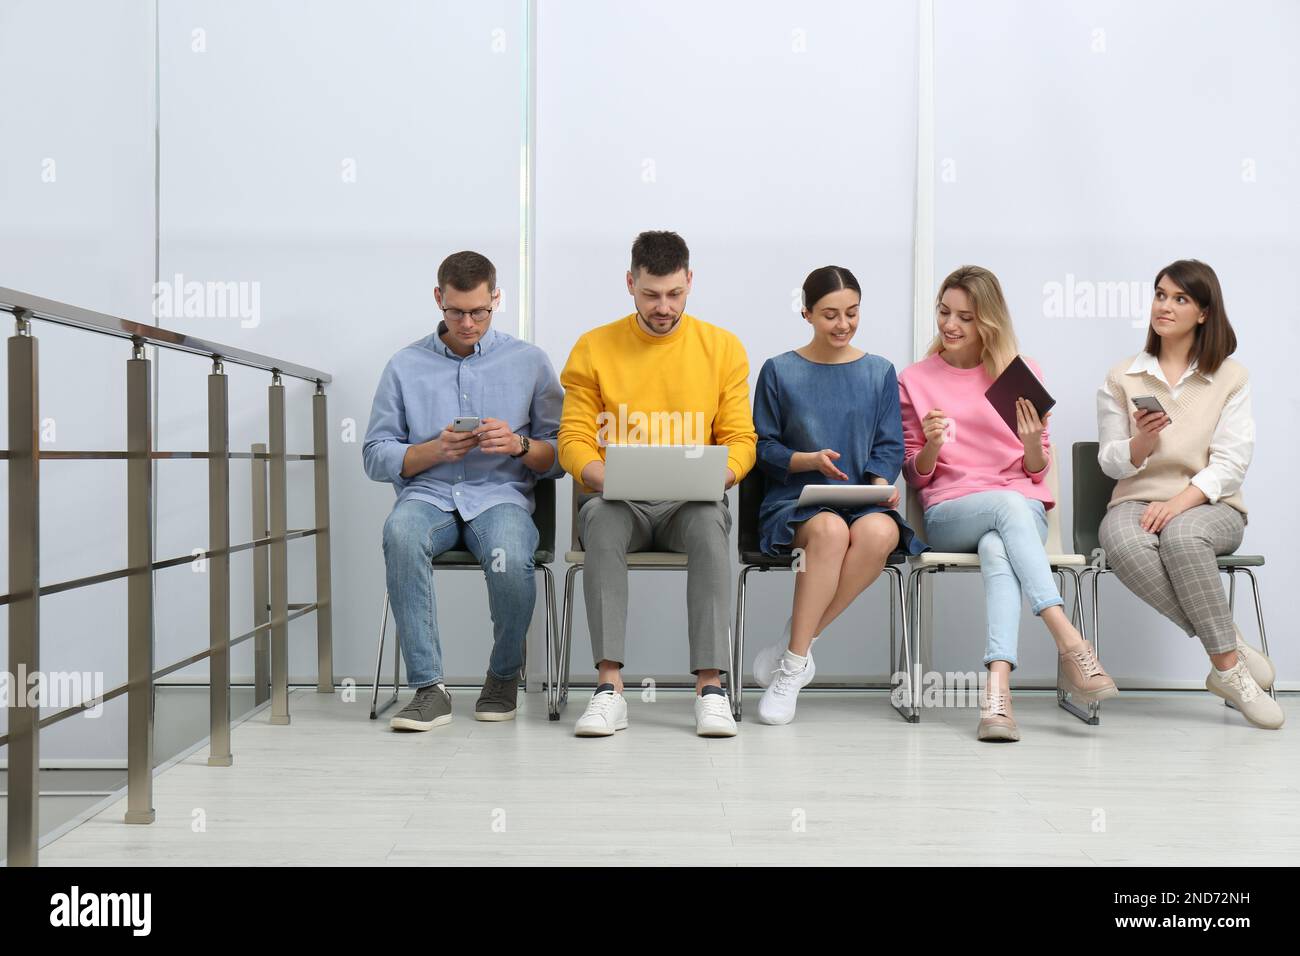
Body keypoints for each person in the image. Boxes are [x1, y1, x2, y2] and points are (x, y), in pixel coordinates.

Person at [898, 265, 1117, 742]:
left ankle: (997, 694)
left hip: (1020, 514)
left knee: (1001, 543)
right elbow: (917, 475)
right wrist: (932, 446)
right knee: (1005, 508)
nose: (950, 325)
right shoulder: (915, 380)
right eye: (944, 312)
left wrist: (1032, 441)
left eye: (966, 317)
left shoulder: (1021, 373)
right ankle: (1068, 638)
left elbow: (1036, 471)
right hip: (950, 511)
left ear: (988, 323)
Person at [558, 230, 756, 738]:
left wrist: (721, 474)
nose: (663, 306)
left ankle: (710, 689)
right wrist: (607, 476)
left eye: (674, 293)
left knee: (712, 522)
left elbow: (741, 439)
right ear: (630, 283)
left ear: (690, 281)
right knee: (599, 519)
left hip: (689, 505)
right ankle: (609, 688)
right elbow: (573, 439)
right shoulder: (594, 347)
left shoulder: (723, 348)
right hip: (618, 502)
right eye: (650, 294)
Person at [363, 251, 563, 730]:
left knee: (512, 554)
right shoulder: (404, 365)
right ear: (438, 299)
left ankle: (502, 676)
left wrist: (517, 444)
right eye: (456, 311)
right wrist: (433, 451)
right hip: (428, 499)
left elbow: (560, 456)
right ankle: (429, 689)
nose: (469, 322)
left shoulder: (530, 361)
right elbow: (374, 454)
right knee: (401, 535)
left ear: (496, 299)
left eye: (480, 311)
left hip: (500, 498)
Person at [1096, 259, 1282, 729]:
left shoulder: (1230, 377)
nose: (1165, 305)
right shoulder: (1123, 376)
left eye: (1180, 298)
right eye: (1160, 294)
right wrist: (1142, 442)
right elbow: (1110, 461)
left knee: (1181, 537)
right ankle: (1231, 646)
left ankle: (1226, 671)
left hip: (1212, 504)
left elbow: (1232, 461)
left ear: (1203, 312)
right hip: (1135, 498)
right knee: (1122, 543)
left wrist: (1180, 501)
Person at [748, 265, 926, 724]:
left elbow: (890, 445)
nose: (843, 324)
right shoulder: (778, 371)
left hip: (861, 498)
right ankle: (793, 668)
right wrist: (807, 461)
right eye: (830, 314)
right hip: (797, 501)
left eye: (851, 312)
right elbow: (762, 447)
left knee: (879, 534)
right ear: (806, 313)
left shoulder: (879, 372)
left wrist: (876, 487)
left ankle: (796, 647)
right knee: (828, 530)